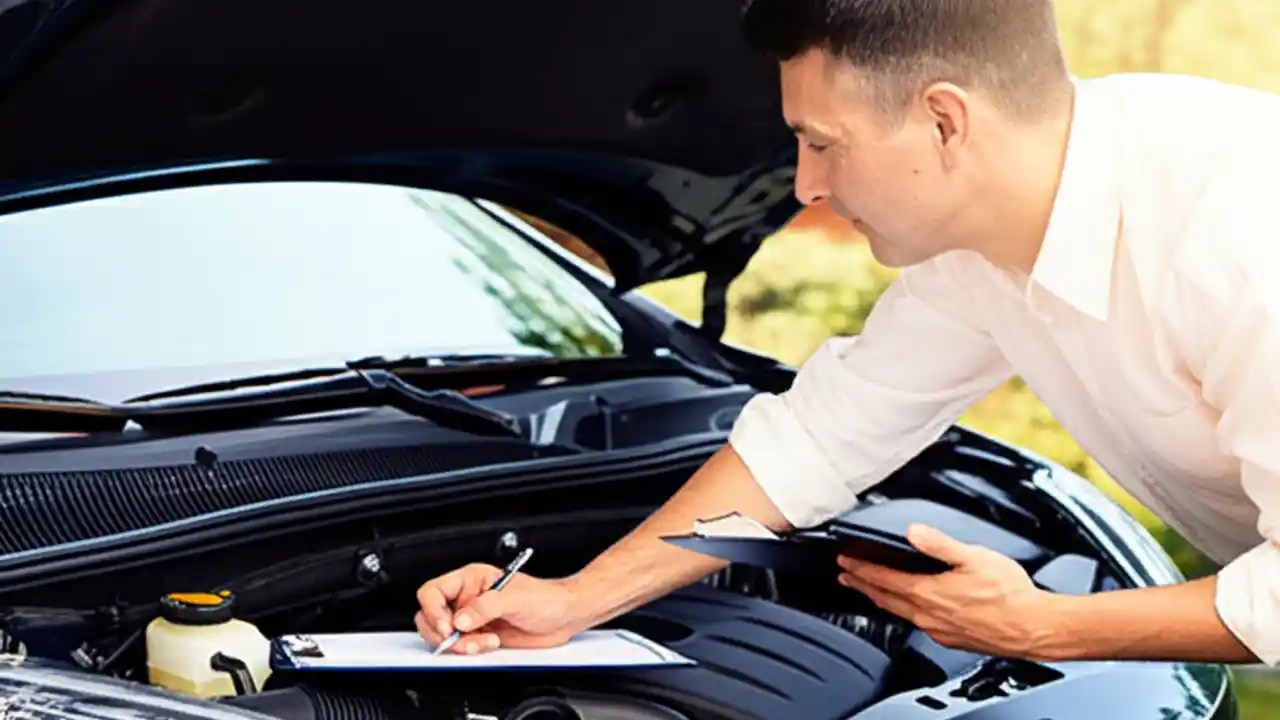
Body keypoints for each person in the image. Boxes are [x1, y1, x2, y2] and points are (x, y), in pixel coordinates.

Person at [415, 0, 1280, 667]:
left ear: (946, 122)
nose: (805, 187)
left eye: (823, 143)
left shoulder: (1237, 246)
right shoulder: (980, 239)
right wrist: (575, 601)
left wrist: (1047, 627)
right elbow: (822, 437)